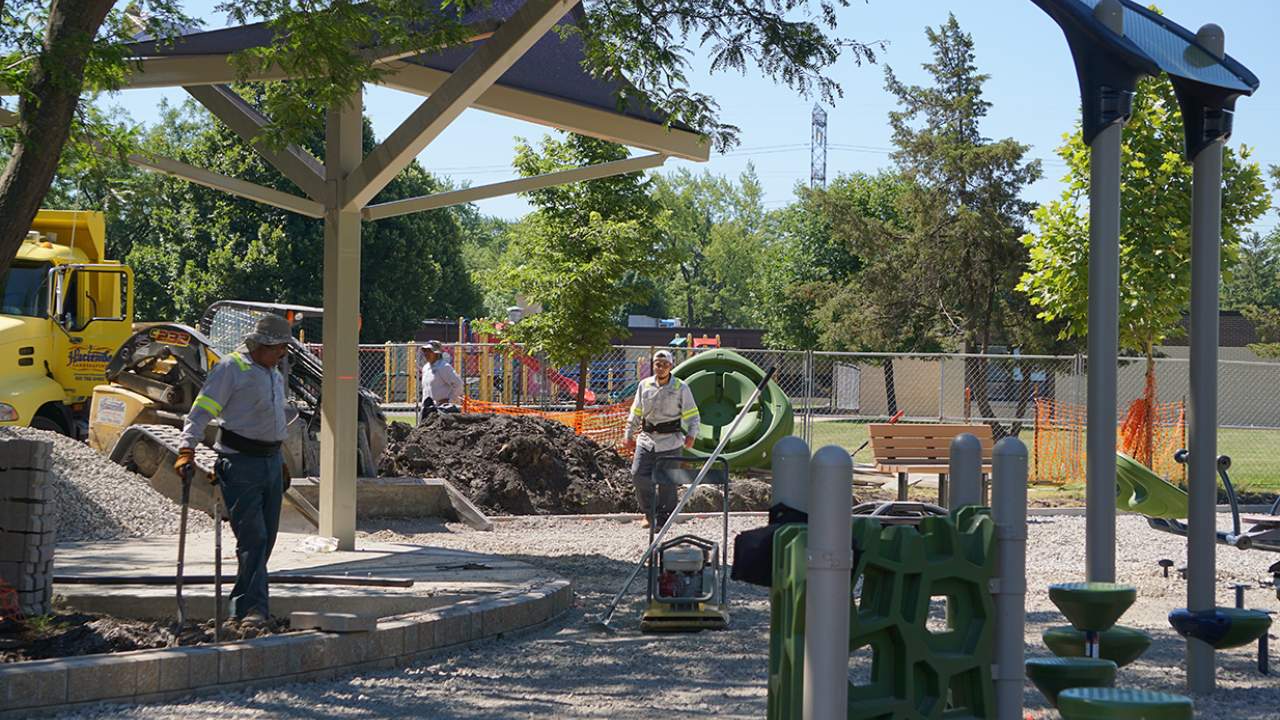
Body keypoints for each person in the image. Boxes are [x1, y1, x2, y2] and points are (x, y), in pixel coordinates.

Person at [173, 314, 291, 628]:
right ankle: (252, 610)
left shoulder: (273, 374)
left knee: (266, 540)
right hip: (240, 464)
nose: (283, 354)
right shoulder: (231, 369)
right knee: (253, 538)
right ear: (263, 344)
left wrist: (280, 461)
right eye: (279, 347)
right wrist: (187, 449)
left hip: (270, 463)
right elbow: (201, 412)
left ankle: (243, 606)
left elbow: (273, 422)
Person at [624, 350, 700, 528]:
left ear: (671, 366)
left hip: (670, 441)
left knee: (667, 481)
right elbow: (636, 411)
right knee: (638, 475)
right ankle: (649, 514)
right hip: (647, 440)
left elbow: (693, 416)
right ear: (653, 365)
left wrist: (691, 434)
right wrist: (628, 433)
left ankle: (664, 516)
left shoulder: (681, 387)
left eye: (665, 364)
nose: (661, 367)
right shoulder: (645, 385)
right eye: (658, 364)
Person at [419, 340, 464, 421]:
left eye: (429, 351)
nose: (426, 353)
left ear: (437, 353)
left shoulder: (444, 367)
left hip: (442, 410)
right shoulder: (426, 367)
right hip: (427, 409)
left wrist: (450, 400)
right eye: (425, 351)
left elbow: (458, 384)